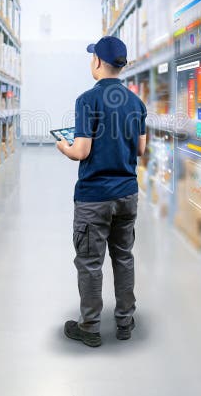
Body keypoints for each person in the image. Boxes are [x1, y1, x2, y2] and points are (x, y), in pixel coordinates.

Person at [55, 36, 147, 347]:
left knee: (90, 262)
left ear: (97, 62)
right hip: (127, 194)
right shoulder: (136, 103)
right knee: (123, 257)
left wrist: (63, 147)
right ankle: (124, 322)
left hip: (94, 197)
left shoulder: (87, 100)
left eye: (92, 57)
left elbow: (81, 151)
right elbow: (141, 148)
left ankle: (91, 327)